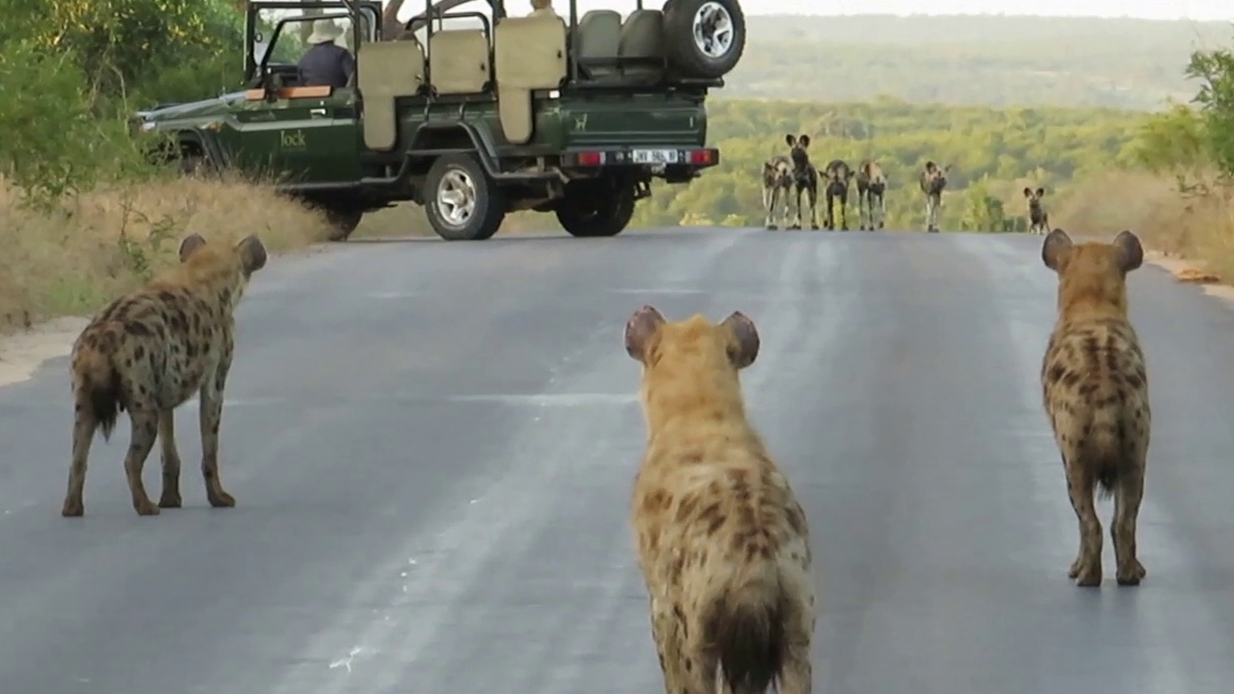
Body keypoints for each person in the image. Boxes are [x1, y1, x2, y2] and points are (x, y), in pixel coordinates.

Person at [298, 19, 356, 88]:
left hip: (310, 97)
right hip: (338, 97)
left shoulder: (304, 58)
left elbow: (301, 84)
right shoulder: (342, 54)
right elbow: (353, 77)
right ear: (333, 37)